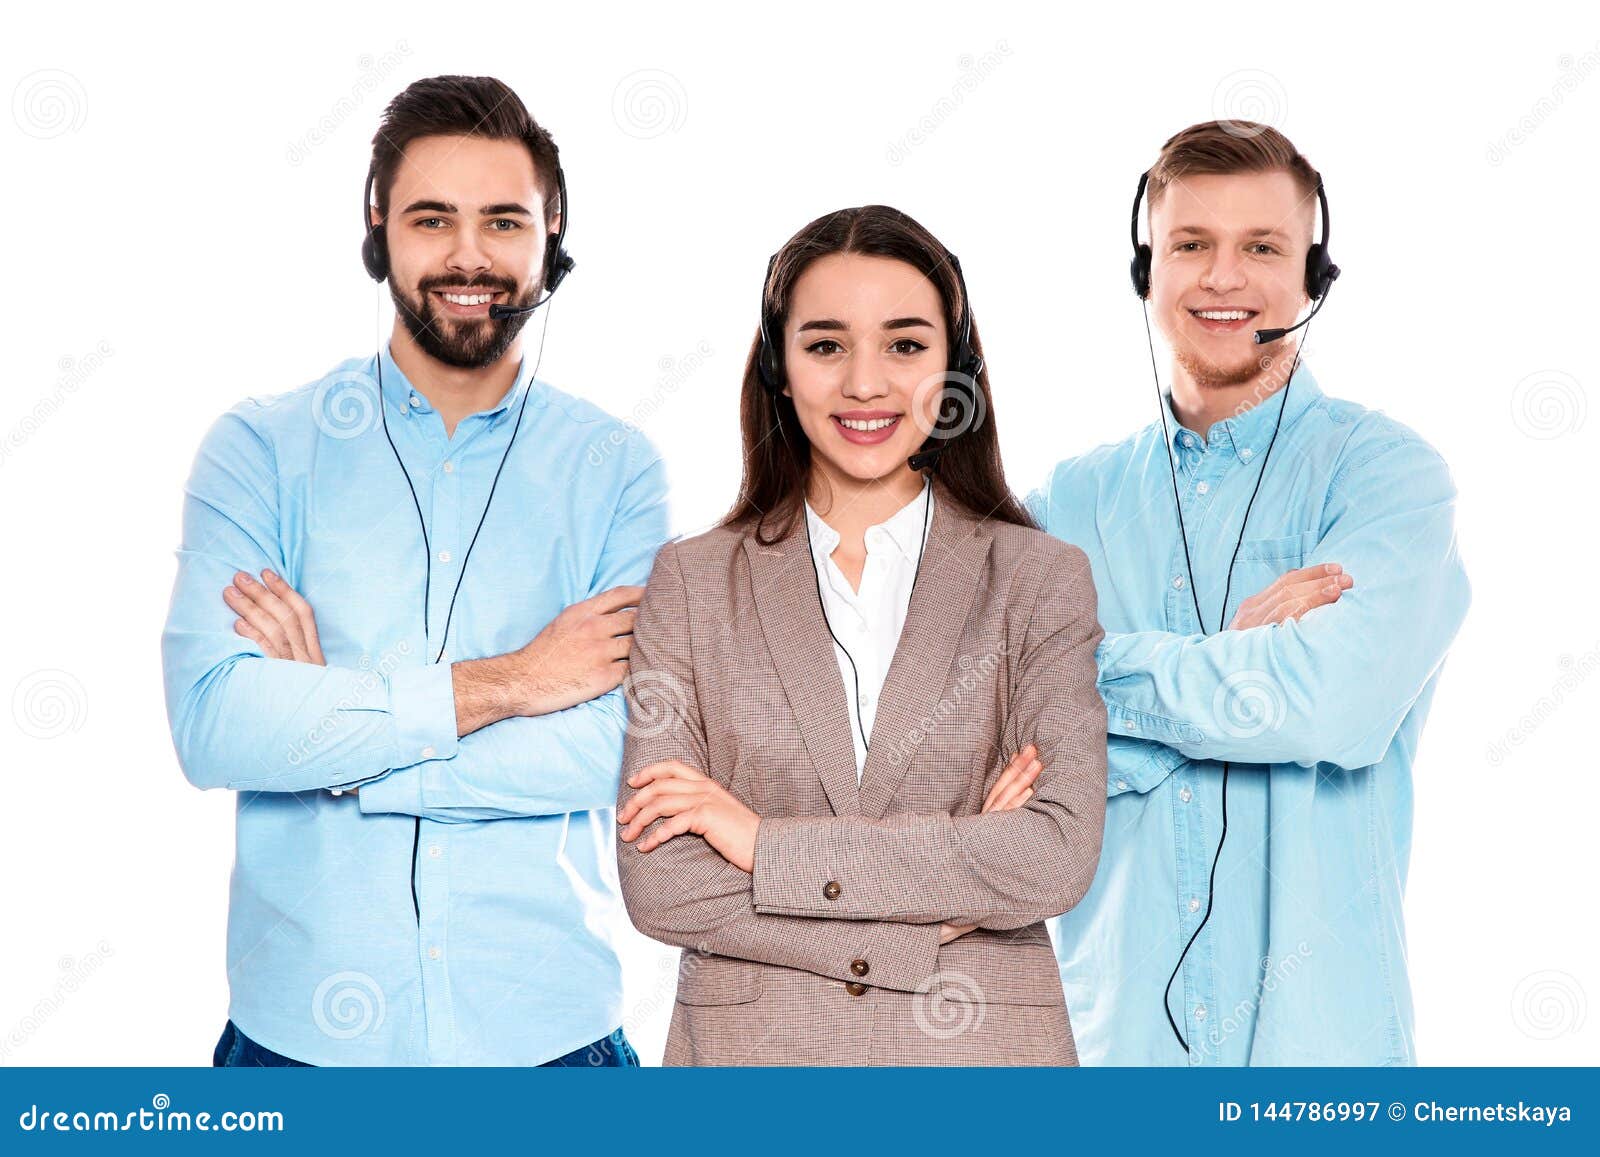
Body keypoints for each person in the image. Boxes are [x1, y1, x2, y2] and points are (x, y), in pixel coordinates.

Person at [161, 75, 667, 1066]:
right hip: (298, 1048)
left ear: (551, 230)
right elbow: (216, 724)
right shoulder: (260, 448)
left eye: (503, 221)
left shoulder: (616, 468)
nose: (468, 257)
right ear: (378, 225)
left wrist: (334, 743)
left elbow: (621, 750)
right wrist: (518, 681)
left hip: (552, 1045)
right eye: (432, 219)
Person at [615, 205, 1107, 1065]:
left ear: (955, 367)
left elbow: (1053, 855)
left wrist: (761, 843)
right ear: (779, 367)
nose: (866, 383)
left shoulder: (1039, 578)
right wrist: (943, 903)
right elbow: (663, 883)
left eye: (905, 345)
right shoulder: (692, 581)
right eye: (826, 345)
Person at [1030, 121, 1471, 1065]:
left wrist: (1089, 689)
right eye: (1192, 244)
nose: (1223, 278)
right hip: (1111, 1066)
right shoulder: (1065, 505)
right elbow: (993, 745)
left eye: (1262, 248)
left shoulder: (1387, 479)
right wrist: (1237, 665)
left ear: (1314, 276)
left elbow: (1330, 703)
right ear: (1147, 271)